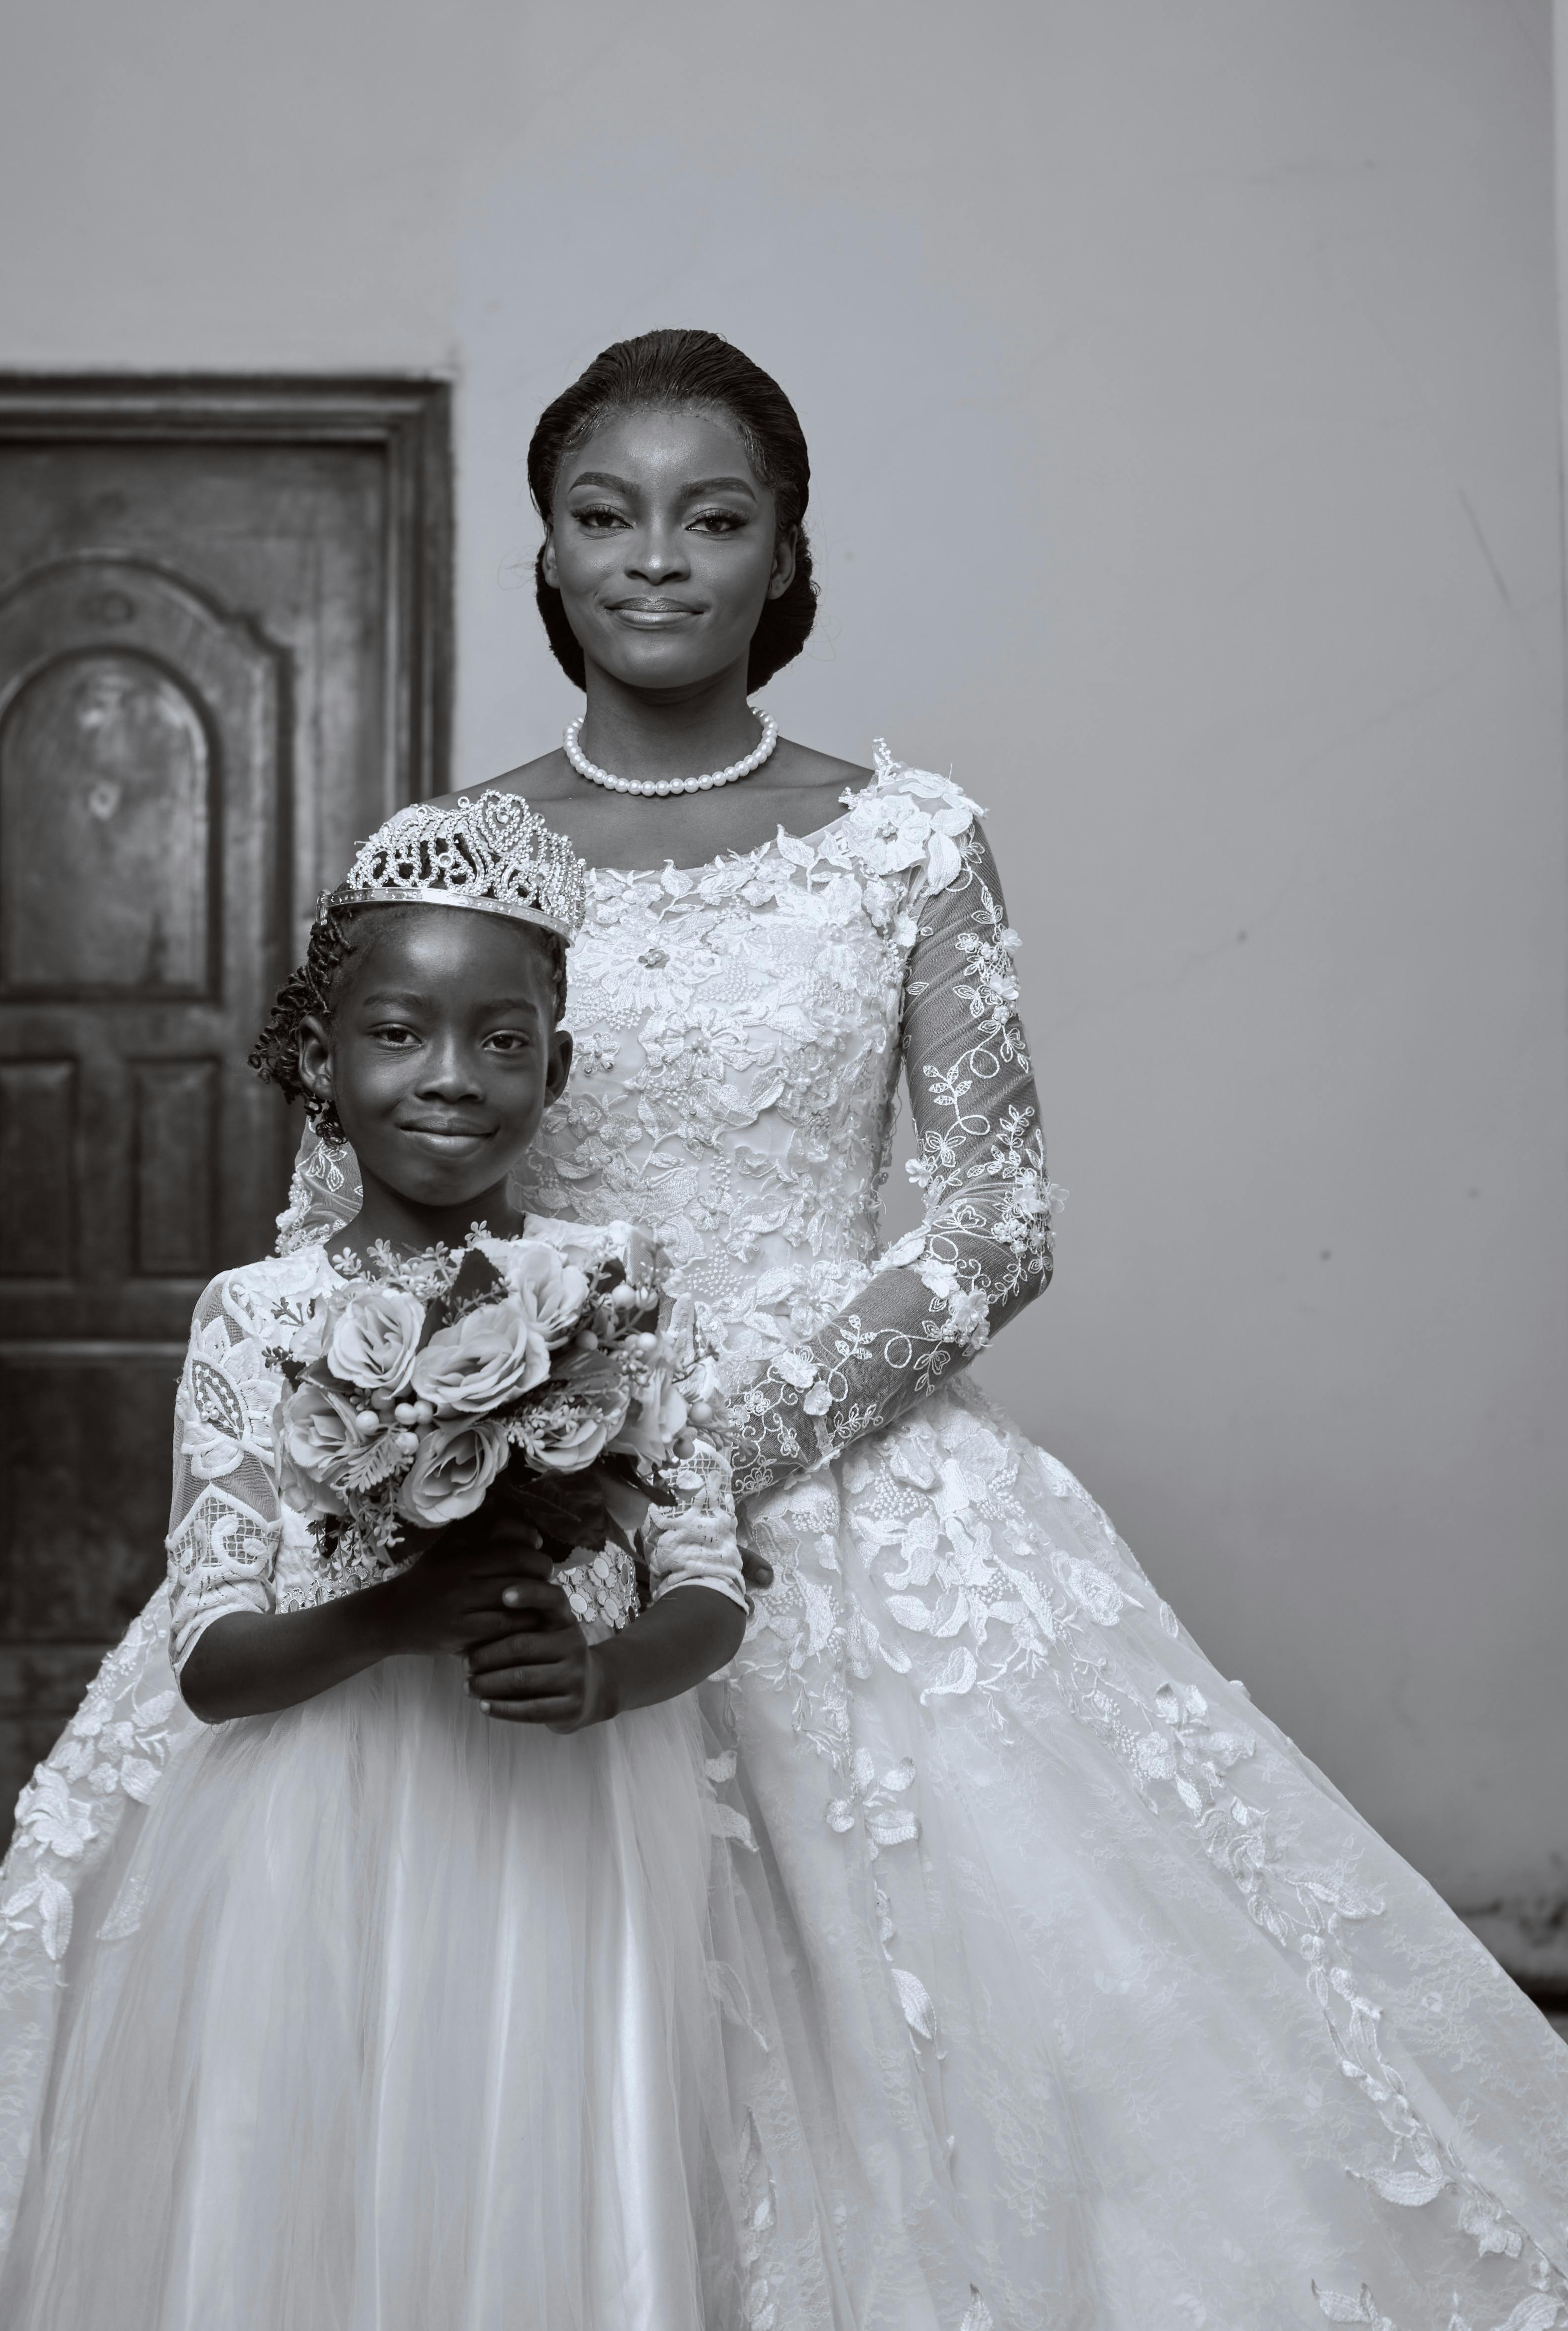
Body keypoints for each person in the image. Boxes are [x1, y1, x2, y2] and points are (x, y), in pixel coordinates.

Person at [283, 329, 1568, 2329]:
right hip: (527, 1490)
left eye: (713, 518)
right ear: (542, 549)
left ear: (783, 551)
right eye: (602, 515)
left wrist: (712, 1438)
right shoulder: (451, 860)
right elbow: (336, 1214)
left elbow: (994, 1217)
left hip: (854, 1493)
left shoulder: (904, 839)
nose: (655, 561)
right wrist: (494, 1434)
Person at [0, 792, 830, 2331]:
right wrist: (402, 1607)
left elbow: (709, 1578)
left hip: (565, 1813)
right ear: (320, 1064)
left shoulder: (619, 1288)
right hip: (313, 1826)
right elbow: (210, 1664)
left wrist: (608, 1675)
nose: (451, 1077)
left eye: (503, 1038)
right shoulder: (254, 1316)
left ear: (560, 1064)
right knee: (316, 2148)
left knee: (543, 2133)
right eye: (398, 1034)